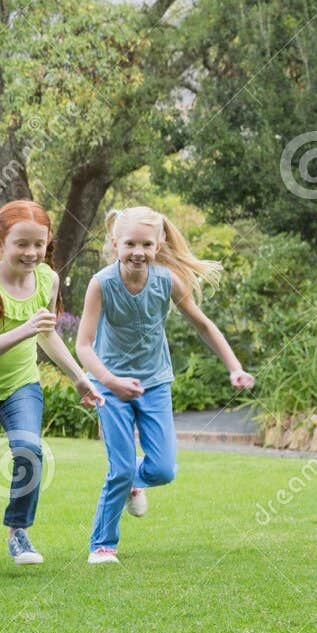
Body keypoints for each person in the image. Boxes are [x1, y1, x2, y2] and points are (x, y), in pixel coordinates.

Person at [76, 206, 254, 563]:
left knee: (163, 470)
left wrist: (234, 367)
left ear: (158, 246)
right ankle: (102, 544)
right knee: (121, 467)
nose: (138, 251)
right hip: (109, 386)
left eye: (146, 244)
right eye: (130, 243)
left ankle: (133, 481)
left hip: (155, 383)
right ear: (115, 243)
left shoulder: (166, 281)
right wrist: (109, 381)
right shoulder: (102, 284)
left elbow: (204, 325)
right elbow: (83, 344)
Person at [0, 201, 100, 570]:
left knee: (29, 449)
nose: (31, 253)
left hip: (20, 386)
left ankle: (18, 530)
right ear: (0, 243)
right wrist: (27, 327)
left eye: (38, 244)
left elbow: (47, 336)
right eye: (21, 244)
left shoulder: (48, 279)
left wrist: (79, 377)